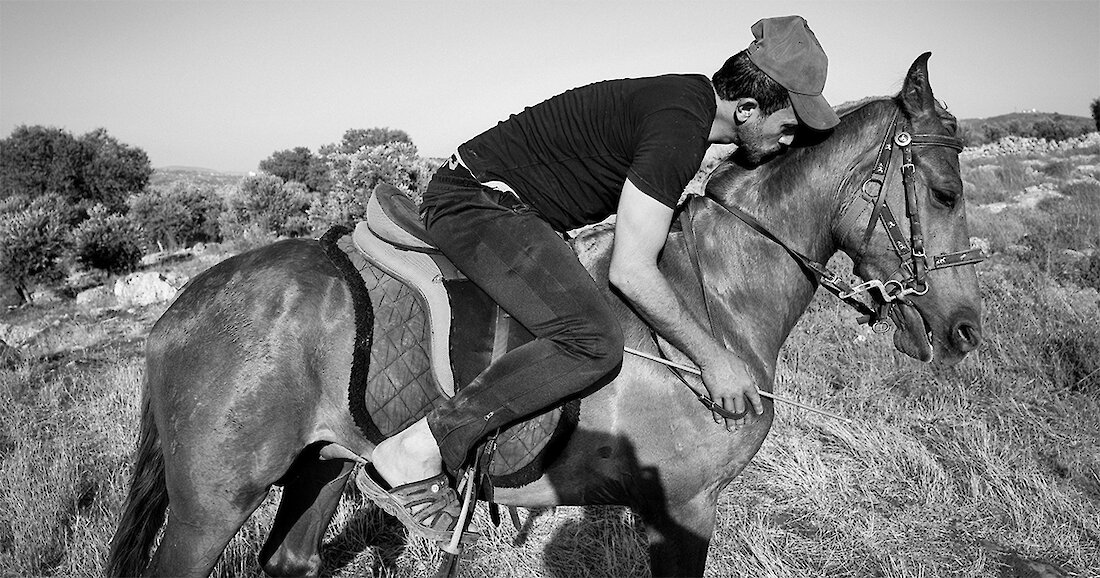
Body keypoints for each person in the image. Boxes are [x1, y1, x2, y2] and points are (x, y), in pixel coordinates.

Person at [358, 15, 840, 543]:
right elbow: (631, 270)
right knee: (592, 339)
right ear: (746, 109)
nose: (790, 139)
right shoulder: (679, 128)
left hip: (508, 205)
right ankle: (418, 448)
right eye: (788, 125)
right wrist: (714, 359)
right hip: (477, 203)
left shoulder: (687, 104)